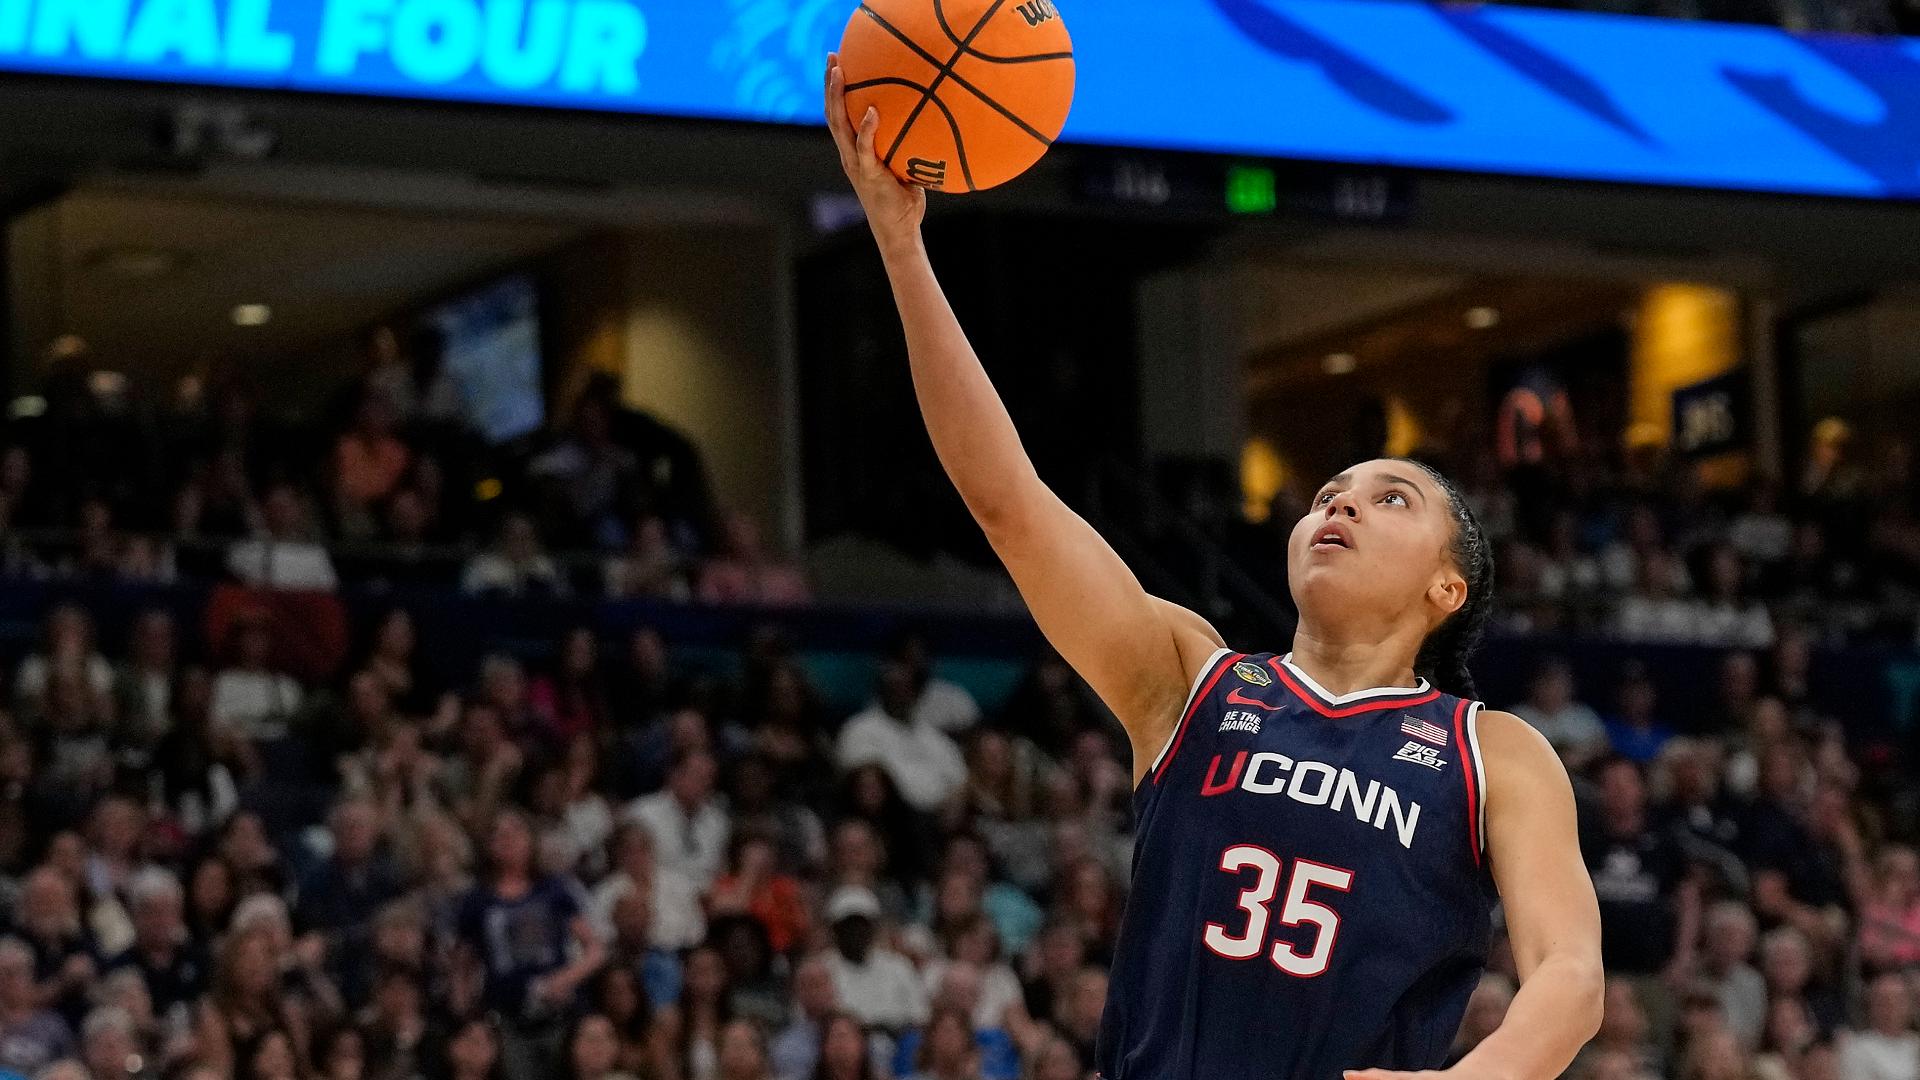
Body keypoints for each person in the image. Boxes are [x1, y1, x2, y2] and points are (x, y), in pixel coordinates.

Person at [824, 58, 1603, 1080]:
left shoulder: (1491, 755)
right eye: (1330, 492)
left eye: (1388, 497)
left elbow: (1571, 979)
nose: (1342, 504)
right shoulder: (1192, 678)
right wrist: (899, 242)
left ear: (1445, 589)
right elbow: (1009, 505)